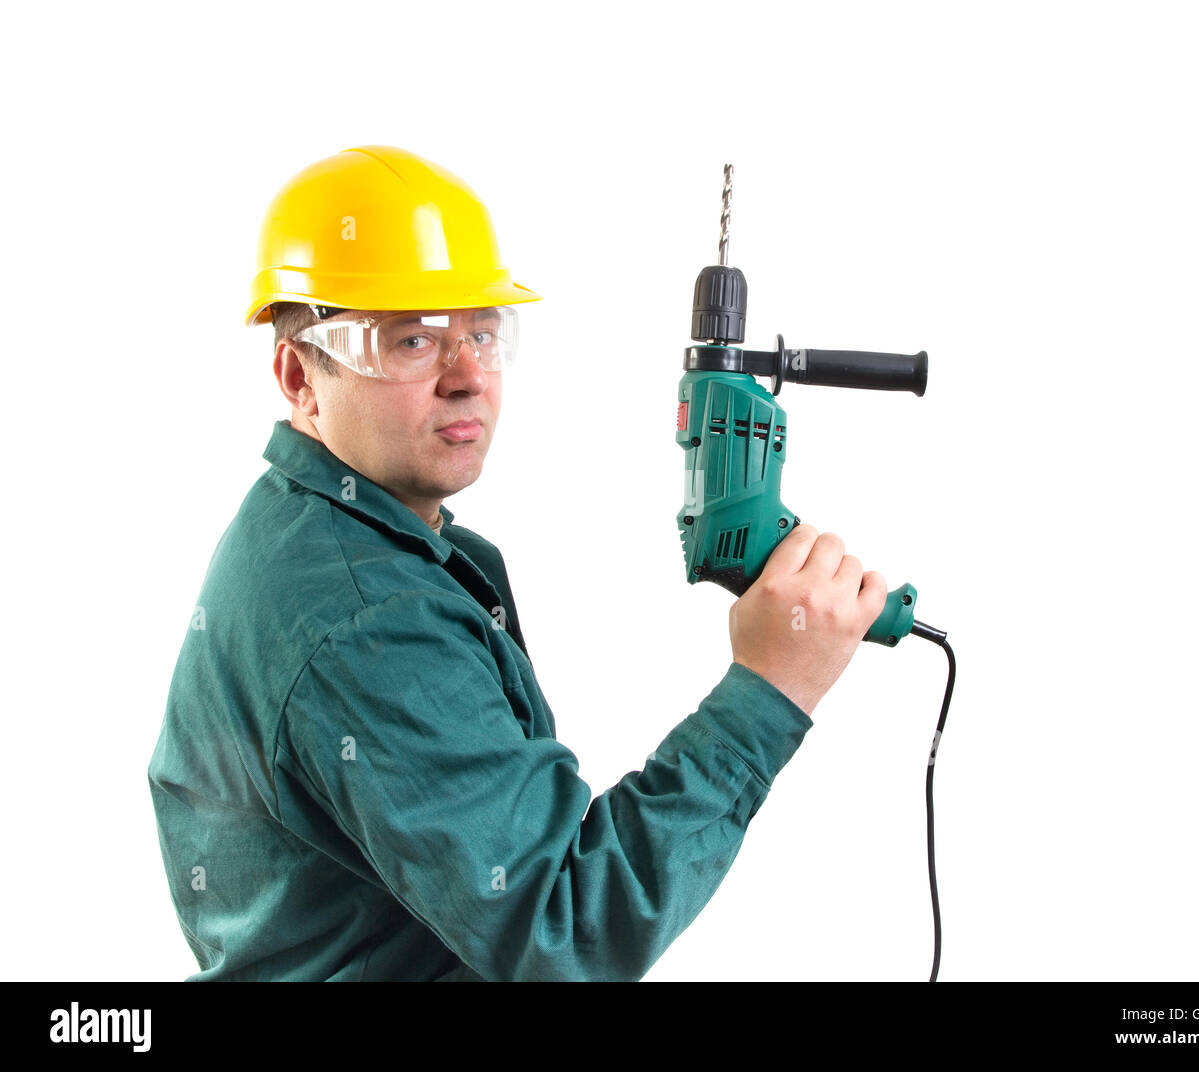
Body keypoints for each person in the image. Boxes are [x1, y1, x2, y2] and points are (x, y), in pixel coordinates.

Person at [147, 145, 888, 981]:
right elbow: (565, 933)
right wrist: (771, 689)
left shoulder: (324, 535)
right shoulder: (367, 621)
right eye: (412, 340)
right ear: (299, 376)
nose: (468, 377)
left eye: (483, 333)